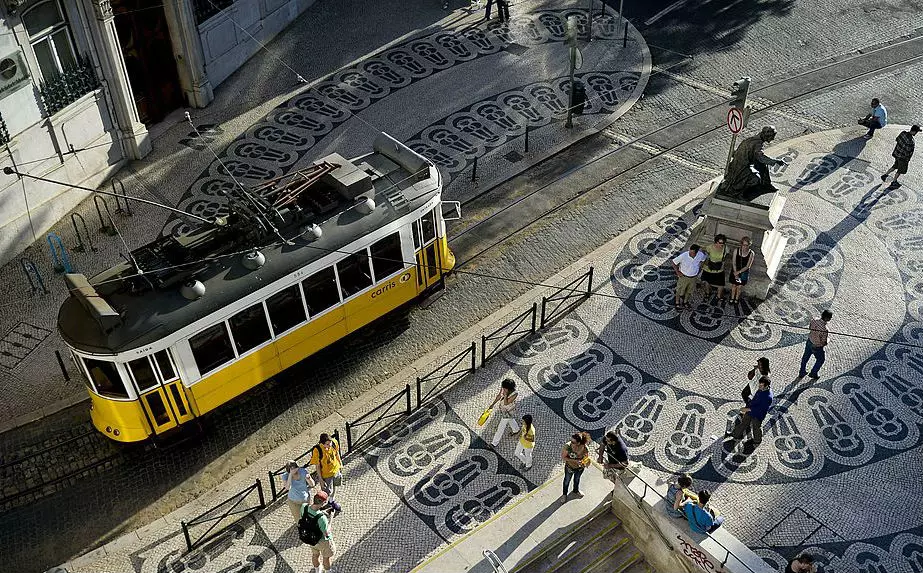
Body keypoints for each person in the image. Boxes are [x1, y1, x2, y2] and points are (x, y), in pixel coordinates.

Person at [717, 125, 785, 199]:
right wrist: (776, 161)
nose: (773, 138)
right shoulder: (757, 144)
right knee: (755, 179)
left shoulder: (753, 139)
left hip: (740, 164)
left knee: (762, 166)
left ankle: (766, 184)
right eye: (772, 136)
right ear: (767, 136)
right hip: (741, 168)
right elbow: (761, 157)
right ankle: (738, 193)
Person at [729, 377, 773, 445]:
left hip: (758, 415)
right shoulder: (761, 389)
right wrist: (747, 407)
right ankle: (736, 434)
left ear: (766, 386)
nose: (759, 387)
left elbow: (760, 409)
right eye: (759, 385)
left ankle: (757, 440)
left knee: (756, 427)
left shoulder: (768, 397)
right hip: (750, 410)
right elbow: (755, 399)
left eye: (761, 385)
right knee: (744, 422)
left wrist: (747, 409)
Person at [302, 491, 337, 573]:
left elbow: (309, 516)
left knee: (315, 555)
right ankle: (328, 571)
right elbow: (326, 533)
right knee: (326, 558)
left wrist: (321, 512)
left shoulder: (304, 507)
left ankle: (317, 570)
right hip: (322, 541)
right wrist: (331, 518)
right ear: (323, 503)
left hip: (310, 538)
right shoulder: (322, 518)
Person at [798, 310, 832, 380]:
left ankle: (802, 372)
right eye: (830, 317)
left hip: (809, 341)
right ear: (826, 318)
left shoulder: (813, 320)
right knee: (820, 360)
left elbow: (810, 328)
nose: (830, 319)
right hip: (817, 347)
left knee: (805, 357)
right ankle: (813, 373)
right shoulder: (825, 329)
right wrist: (828, 340)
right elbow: (823, 342)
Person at [672, 244, 706, 309]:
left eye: (692, 253)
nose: (690, 253)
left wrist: (700, 269)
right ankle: (677, 302)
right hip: (684, 277)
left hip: (693, 277)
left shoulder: (700, 254)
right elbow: (674, 262)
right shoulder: (684, 255)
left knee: (689, 291)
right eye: (690, 251)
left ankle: (685, 302)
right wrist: (677, 272)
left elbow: (703, 260)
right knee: (679, 290)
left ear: (696, 252)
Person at [309, 433, 343, 498]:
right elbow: (318, 466)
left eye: (330, 443)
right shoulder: (317, 450)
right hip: (326, 475)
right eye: (327, 444)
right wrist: (321, 480)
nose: (329, 445)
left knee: (335, 486)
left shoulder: (334, 443)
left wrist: (340, 464)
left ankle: (331, 501)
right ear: (322, 443)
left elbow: (337, 453)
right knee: (327, 492)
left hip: (336, 470)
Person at [488, 378, 520, 447]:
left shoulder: (515, 394)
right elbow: (499, 396)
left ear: (509, 388)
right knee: (511, 420)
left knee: (501, 427)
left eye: (505, 388)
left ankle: (494, 443)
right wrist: (493, 404)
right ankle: (516, 430)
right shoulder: (504, 387)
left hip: (509, 411)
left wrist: (505, 395)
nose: (503, 389)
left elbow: (506, 403)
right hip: (503, 409)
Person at [561, 432, 591, 501]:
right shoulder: (568, 447)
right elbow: (564, 457)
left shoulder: (585, 448)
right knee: (566, 481)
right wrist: (575, 461)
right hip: (569, 467)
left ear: (579, 443)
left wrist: (586, 463)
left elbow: (586, 458)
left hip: (580, 468)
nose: (571, 443)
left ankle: (576, 490)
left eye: (573, 442)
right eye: (571, 441)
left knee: (577, 479)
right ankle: (564, 494)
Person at [597, 429, 629, 493]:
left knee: (617, 480)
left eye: (608, 441)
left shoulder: (622, 449)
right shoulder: (608, 438)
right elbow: (602, 444)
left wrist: (610, 465)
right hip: (611, 463)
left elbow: (625, 463)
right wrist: (600, 456)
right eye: (606, 439)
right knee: (609, 476)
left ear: (613, 441)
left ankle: (617, 489)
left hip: (619, 467)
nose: (606, 440)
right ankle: (616, 487)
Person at [700, 235, 728, 302]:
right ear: (716, 242)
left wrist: (723, 265)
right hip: (709, 268)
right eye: (720, 243)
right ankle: (707, 293)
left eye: (723, 243)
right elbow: (703, 253)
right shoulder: (709, 247)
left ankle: (718, 296)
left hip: (719, 268)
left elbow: (725, 258)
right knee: (707, 281)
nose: (722, 244)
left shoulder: (726, 248)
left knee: (721, 283)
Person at [728, 236, 754, 304]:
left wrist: (738, 273)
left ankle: (736, 298)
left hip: (743, 272)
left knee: (739, 287)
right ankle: (732, 297)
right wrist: (735, 272)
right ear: (741, 244)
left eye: (746, 245)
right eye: (743, 245)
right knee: (734, 285)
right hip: (735, 270)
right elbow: (733, 262)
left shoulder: (751, 253)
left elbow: (748, 266)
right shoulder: (736, 250)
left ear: (749, 245)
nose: (744, 247)